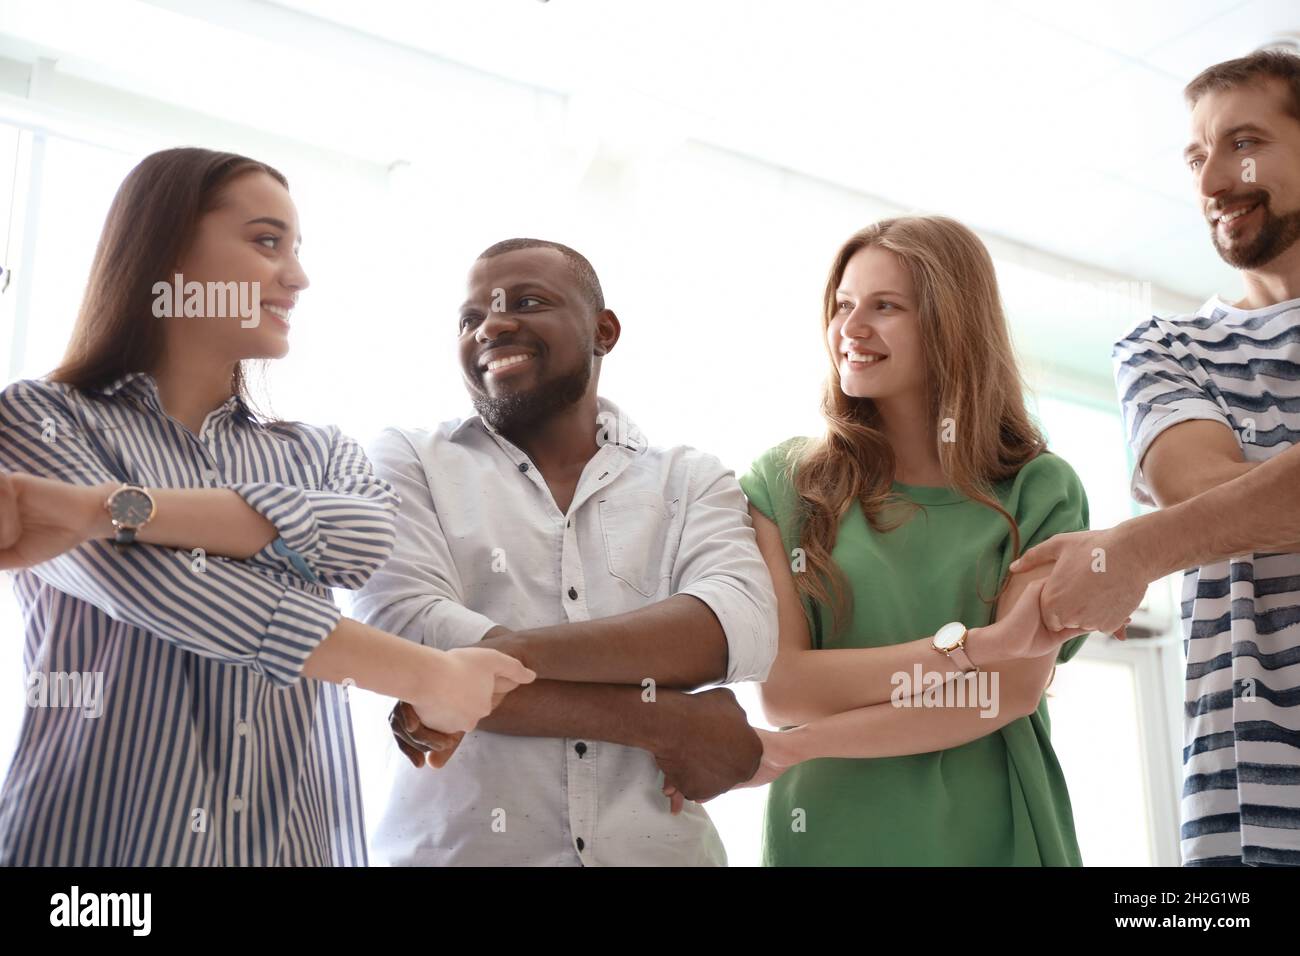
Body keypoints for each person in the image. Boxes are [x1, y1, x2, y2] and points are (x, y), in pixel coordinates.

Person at [0, 147, 532, 866]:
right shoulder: (37, 419)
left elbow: (363, 542)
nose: (298, 277)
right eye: (265, 241)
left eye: (295, 248)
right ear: (166, 250)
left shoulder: (322, 451)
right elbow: (173, 592)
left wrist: (106, 507)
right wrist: (428, 676)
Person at [351, 238, 778, 866]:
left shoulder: (690, 479)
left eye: (527, 301)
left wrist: (496, 660)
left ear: (603, 330)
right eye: (470, 319)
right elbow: (401, 631)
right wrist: (663, 721)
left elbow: (735, 628)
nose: (492, 325)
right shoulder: (404, 460)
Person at [734, 216, 1098, 865]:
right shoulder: (785, 486)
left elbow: (1007, 692)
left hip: (996, 829)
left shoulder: (1040, 490)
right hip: (827, 830)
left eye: (884, 306)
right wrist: (973, 651)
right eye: (843, 306)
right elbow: (785, 689)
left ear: (951, 322)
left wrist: (802, 743)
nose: (851, 328)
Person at [1014, 49, 1300, 867]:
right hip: (1241, 807)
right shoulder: (1166, 346)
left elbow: (1195, 524)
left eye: (1242, 143)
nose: (1211, 180)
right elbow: (1196, 490)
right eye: (1195, 155)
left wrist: (1135, 549)